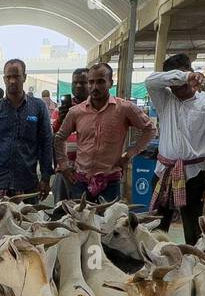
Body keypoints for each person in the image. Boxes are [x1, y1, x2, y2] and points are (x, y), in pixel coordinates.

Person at [144, 53, 205, 244]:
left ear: (191, 72)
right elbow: (150, 81)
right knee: (157, 229)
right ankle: (156, 268)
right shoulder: (165, 99)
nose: (176, 87)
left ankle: (196, 267)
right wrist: (183, 76)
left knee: (194, 232)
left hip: (194, 174)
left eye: (181, 79)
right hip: (163, 172)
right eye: (172, 81)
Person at [53, 62, 156, 203]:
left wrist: (129, 154)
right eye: (91, 82)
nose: (95, 87)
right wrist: (64, 166)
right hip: (80, 181)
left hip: (110, 182)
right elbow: (59, 138)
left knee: (108, 223)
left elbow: (149, 129)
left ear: (110, 83)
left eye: (100, 81)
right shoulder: (76, 112)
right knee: (80, 223)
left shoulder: (124, 109)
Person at [0, 58, 53, 201]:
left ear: (24, 77)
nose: (12, 81)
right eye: (8, 77)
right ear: (4, 79)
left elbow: (46, 143)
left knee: (28, 223)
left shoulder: (38, 108)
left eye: (16, 76)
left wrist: (45, 177)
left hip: (27, 184)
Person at [50, 68, 89, 204]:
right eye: (75, 82)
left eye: (83, 83)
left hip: (90, 173)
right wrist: (61, 120)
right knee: (61, 214)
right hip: (64, 172)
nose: (78, 86)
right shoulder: (58, 111)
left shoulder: (96, 110)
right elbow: (53, 137)